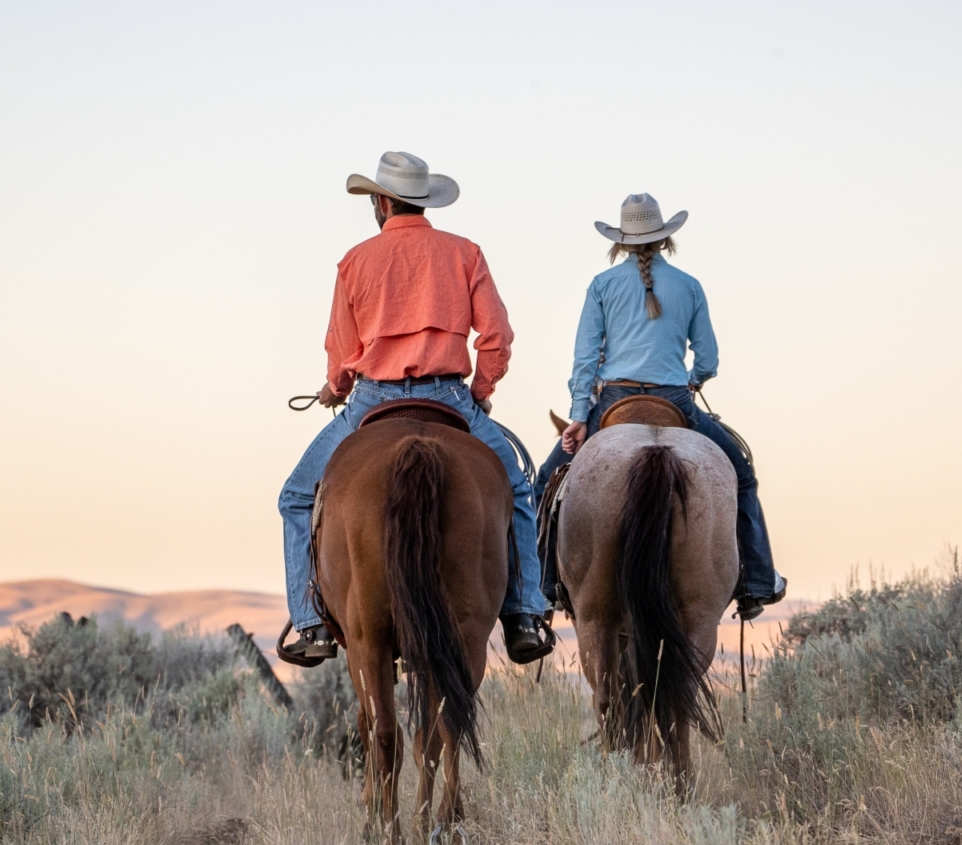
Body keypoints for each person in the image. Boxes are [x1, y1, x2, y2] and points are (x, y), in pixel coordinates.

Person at [279, 151, 554, 664]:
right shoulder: (465, 253)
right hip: (449, 396)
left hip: (371, 401)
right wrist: (481, 391)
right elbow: (496, 337)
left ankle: (311, 623)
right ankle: (523, 612)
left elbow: (341, 347)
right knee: (517, 488)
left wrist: (335, 387)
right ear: (423, 202)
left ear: (381, 202)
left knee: (296, 498)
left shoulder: (355, 261)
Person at [534, 193, 786, 619]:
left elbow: (583, 358)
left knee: (546, 482)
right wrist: (690, 382)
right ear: (664, 238)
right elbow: (708, 359)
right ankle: (758, 580)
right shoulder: (689, 285)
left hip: (612, 400)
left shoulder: (602, 285)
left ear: (622, 241)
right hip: (676, 401)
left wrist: (580, 417)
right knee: (741, 473)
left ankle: (543, 588)